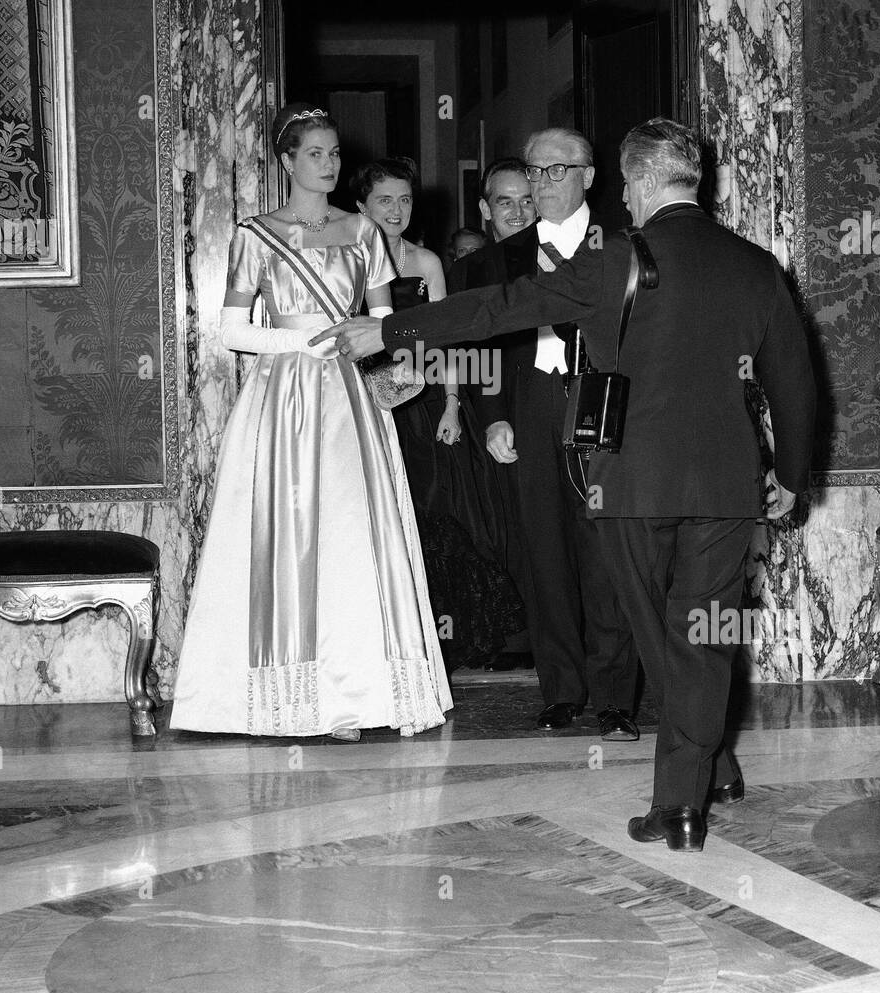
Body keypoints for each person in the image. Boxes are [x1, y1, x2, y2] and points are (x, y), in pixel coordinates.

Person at [316, 116, 816, 851]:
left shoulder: (617, 258)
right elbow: (797, 388)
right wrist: (791, 477)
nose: (625, 194)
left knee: (661, 636)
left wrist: (393, 332)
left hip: (629, 485)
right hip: (728, 485)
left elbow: (502, 307)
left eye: (624, 182)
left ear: (641, 182)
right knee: (704, 639)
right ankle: (716, 763)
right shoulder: (756, 264)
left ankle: (680, 803)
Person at [169, 104, 452, 743]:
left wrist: (396, 360)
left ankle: (353, 696)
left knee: (353, 535)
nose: (328, 165)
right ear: (288, 161)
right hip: (282, 395)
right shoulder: (254, 235)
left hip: (348, 398)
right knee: (285, 533)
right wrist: (301, 344)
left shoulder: (362, 233)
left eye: (334, 154)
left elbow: (385, 320)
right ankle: (285, 698)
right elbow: (231, 330)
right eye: (316, 154)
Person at [448, 134, 639, 741]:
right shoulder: (503, 257)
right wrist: (496, 411)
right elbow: (484, 338)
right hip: (530, 404)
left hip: (603, 406)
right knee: (544, 553)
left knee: (607, 555)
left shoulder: (623, 248)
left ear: (589, 176)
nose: (545, 180)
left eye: (559, 169)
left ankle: (614, 695)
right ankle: (561, 689)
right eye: (536, 169)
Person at [353, 157, 524, 670]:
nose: (397, 210)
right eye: (385, 200)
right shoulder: (346, 260)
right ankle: (387, 644)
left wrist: (452, 402)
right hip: (366, 402)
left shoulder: (427, 262)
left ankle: (441, 641)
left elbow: (447, 337)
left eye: (405, 199)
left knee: (439, 515)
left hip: (425, 405)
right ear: (362, 207)